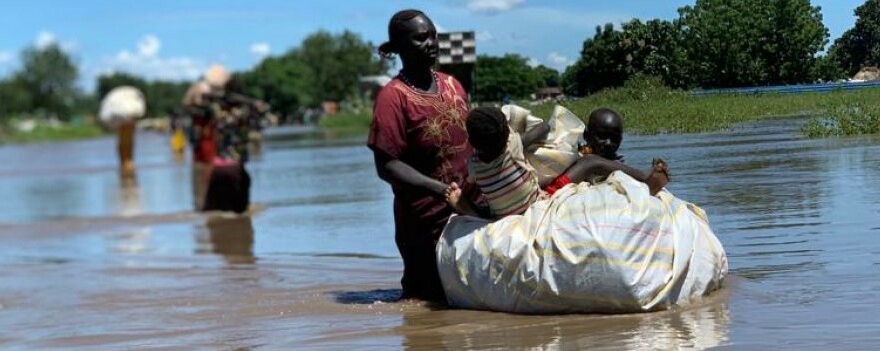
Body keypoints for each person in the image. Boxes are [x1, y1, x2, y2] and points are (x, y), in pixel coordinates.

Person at [368, 9, 479, 301]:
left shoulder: (453, 85)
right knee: (425, 303)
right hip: (424, 225)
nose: (431, 43)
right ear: (400, 47)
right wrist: (441, 191)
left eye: (433, 36)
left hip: (469, 213)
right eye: (420, 38)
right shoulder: (393, 97)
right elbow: (387, 166)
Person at [446, 107, 669, 219]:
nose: (608, 143)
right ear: (587, 135)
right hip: (539, 202)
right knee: (590, 162)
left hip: (502, 214)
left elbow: (474, 180)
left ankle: (473, 212)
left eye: (614, 138)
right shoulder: (513, 147)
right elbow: (543, 128)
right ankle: (645, 179)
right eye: (602, 137)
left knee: (494, 205)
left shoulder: (474, 164)